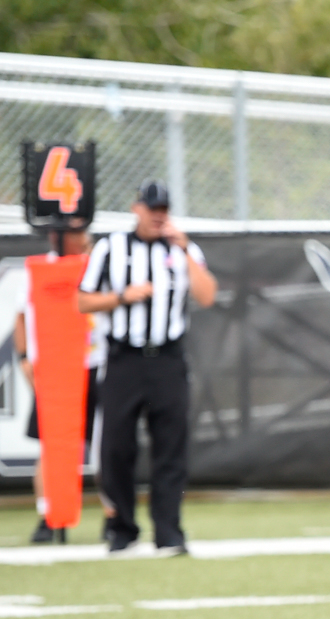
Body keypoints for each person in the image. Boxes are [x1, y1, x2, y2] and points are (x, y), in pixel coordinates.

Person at [76, 180, 217, 556]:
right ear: (136, 208)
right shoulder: (111, 247)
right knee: (117, 447)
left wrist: (185, 249)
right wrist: (124, 296)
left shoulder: (183, 250)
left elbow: (207, 296)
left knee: (170, 447)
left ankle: (169, 532)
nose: (158, 216)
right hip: (124, 358)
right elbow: (82, 301)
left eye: (164, 210)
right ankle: (122, 528)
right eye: (152, 208)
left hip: (168, 359)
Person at [17, 228, 108, 543]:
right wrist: (26, 357)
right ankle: (49, 516)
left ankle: (114, 515)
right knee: (51, 445)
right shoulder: (40, 271)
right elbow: (21, 314)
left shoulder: (98, 264)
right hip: (55, 369)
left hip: (93, 364)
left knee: (104, 443)